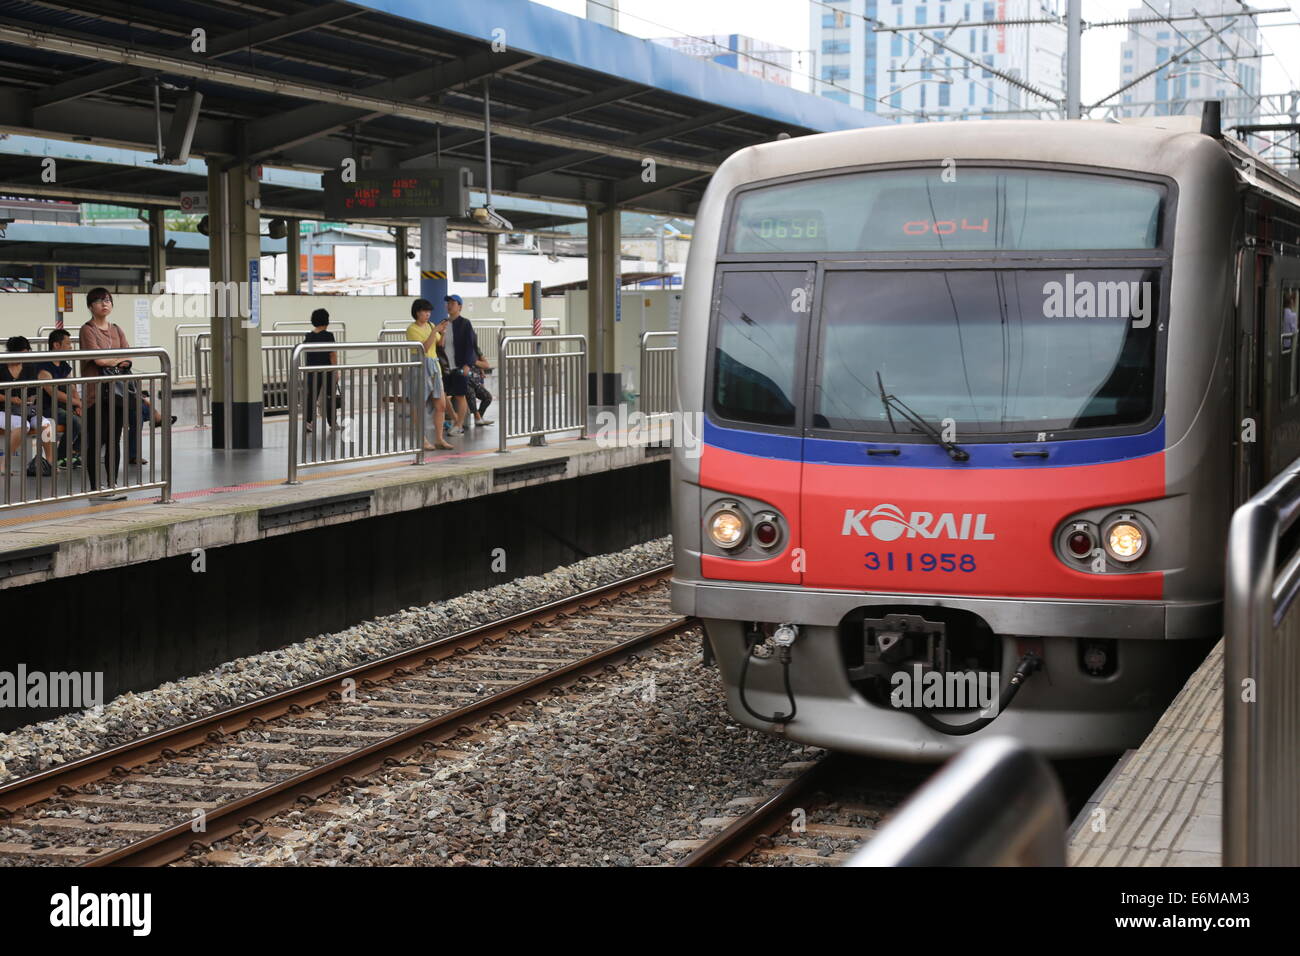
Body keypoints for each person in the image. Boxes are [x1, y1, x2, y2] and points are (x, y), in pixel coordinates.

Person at [79, 287, 134, 498]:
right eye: (100, 301)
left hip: (117, 392)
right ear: (90, 306)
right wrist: (118, 360)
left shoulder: (117, 329)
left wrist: (116, 360)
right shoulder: (88, 330)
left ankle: (112, 484)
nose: (105, 304)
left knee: (114, 439)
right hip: (96, 393)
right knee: (96, 439)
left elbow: (129, 356)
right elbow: (99, 360)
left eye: (108, 300)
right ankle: (95, 487)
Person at [1, 336, 56, 476]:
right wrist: (12, 399)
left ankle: (49, 462)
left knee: (47, 424)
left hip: (25, 410)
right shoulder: (1, 366)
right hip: (3, 409)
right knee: (23, 425)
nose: (24, 355)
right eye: (21, 352)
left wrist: (30, 400)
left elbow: (33, 392)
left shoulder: (29, 367)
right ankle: (3, 463)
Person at [405, 298, 454, 451]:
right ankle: (422, 438)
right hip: (420, 365)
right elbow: (424, 348)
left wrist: (442, 332)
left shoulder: (431, 325)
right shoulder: (412, 329)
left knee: (441, 404)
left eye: (429, 311)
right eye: (425, 311)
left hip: (434, 366)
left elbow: (439, 344)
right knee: (419, 403)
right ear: (417, 312)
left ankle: (439, 439)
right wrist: (434, 331)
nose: (428, 314)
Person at [36, 328, 82, 468]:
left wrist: (78, 405)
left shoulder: (63, 365)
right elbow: (52, 392)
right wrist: (76, 402)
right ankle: (61, 457)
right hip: (47, 409)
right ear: (56, 345)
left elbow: (72, 386)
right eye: (68, 343)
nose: (71, 347)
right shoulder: (43, 366)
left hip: (63, 407)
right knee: (75, 421)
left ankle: (74, 452)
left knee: (89, 417)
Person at [442, 294, 478, 435]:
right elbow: (441, 344)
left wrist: (467, 364)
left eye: (453, 302)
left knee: (460, 395)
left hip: (460, 365)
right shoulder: (444, 322)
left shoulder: (465, 323)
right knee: (442, 395)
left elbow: (471, 345)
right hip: (445, 365)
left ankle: (459, 425)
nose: (449, 305)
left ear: (460, 307)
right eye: (448, 303)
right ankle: (456, 419)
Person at [302, 308, 338, 434]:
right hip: (327, 371)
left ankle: (308, 422)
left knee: (311, 397)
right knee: (329, 397)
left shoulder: (308, 336)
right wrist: (335, 371)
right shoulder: (328, 336)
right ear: (326, 321)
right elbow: (332, 355)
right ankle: (332, 423)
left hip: (312, 371)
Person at [466, 346, 494, 426]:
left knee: (488, 397)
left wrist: (475, 362)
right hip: (466, 380)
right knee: (471, 395)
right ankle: (477, 417)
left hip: (475, 380)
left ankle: (479, 417)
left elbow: (486, 364)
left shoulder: (476, 349)